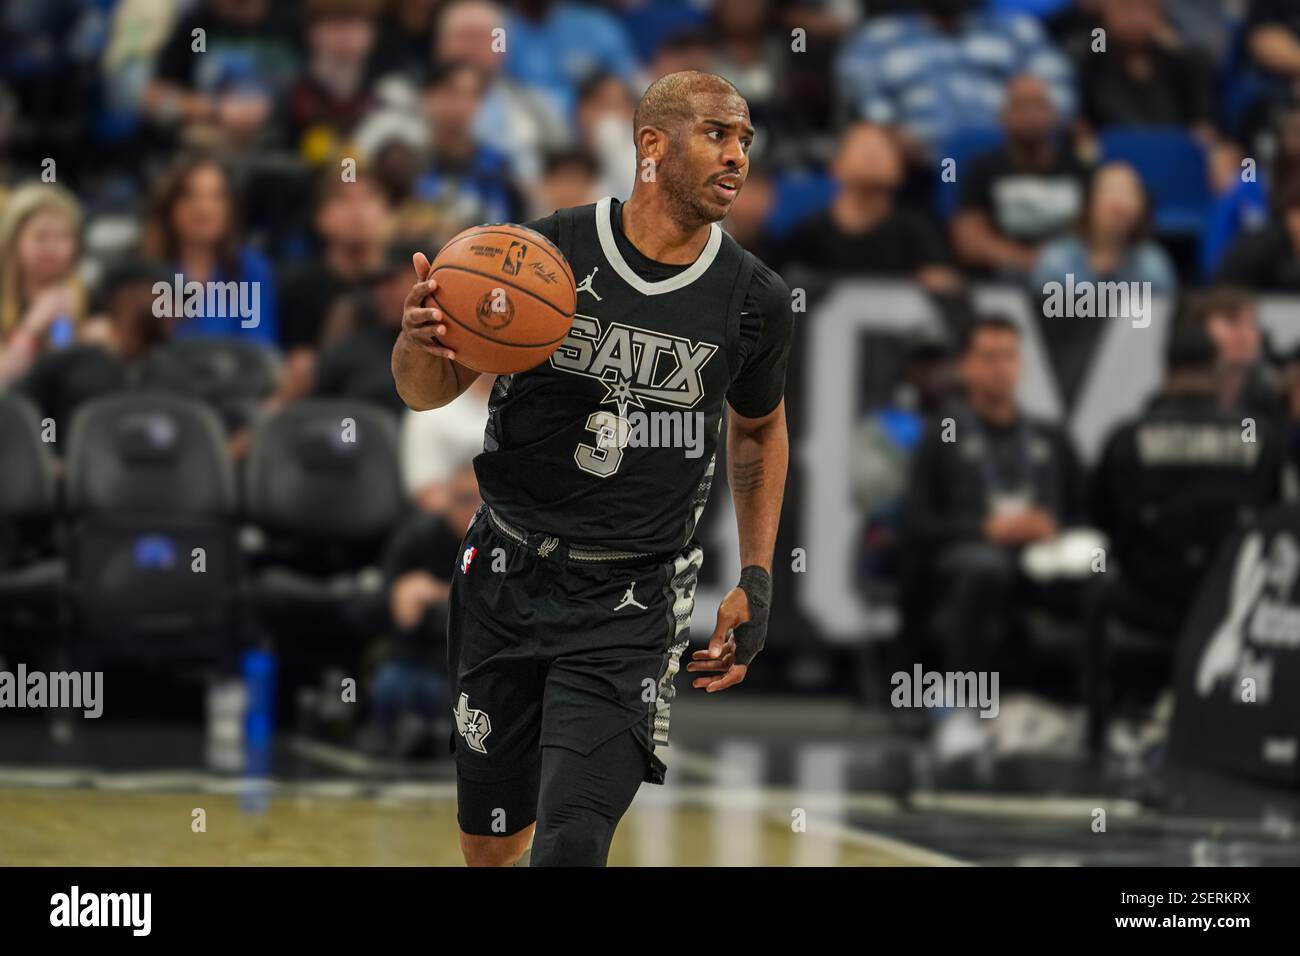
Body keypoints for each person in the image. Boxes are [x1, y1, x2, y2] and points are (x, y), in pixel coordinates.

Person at [392, 70, 794, 867]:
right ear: (652, 145)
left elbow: (758, 431)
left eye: (745, 139)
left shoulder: (754, 299)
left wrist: (757, 573)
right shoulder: (540, 254)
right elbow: (425, 393)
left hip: (630, 602)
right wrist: (418, 339)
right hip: (507, 571)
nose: (737, 156)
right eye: (717, 133)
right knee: (490, 846)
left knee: (572, 842)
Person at [902, 315, 1084, 755]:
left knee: (1097, 573)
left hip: (1042, 557)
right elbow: (916, 525)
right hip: (965, 558)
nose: (1000, 367)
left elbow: (1085, 511)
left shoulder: (1050, 437)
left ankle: (1092, 710)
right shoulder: (942, 435)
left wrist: (1052, 526)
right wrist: (985, 529)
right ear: (965, 366)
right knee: (983, 568)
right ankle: (962, 706)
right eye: (988, 357)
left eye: (1009, 356)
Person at [1091, 321, 1284, 639]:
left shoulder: (1128, 437)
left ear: (1166, 369)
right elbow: (1274, 518)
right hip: (1232, 598)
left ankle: (1092, 686)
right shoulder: (1258, 436)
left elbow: (1102, 521)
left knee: (1095, 581)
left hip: (1146, 597)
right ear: (1217, 368)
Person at [779, 123, 960, 292]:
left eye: (883, 150)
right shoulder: (809, 233)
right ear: (836, 166)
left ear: (900, 169)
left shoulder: (917, 231)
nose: (872, 157)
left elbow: (944, 283)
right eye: (862, 149)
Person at [951, 75, 1090, 279]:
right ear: (1003, 116)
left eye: (1039, 105)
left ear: (1054, 115)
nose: (1031, 115)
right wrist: (1037, 263)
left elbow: (1096, 235)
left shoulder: (1077, 169)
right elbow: (969, 243)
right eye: (1021, 106)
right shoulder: (981, 168)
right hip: (1004, 277)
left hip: (1071, 278)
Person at [141, 156, 280, 346]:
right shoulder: (145, 274)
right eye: (190, 196)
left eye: (217, 197)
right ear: (170, 207)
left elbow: (260, 348)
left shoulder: (251, 269)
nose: (204, 208)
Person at [0, 183, 85, 386]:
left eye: (62, 237)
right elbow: (5, 377)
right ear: (15, 241)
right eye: (41, 236)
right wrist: (32, 326)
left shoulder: (89, 294)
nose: (51, 248)